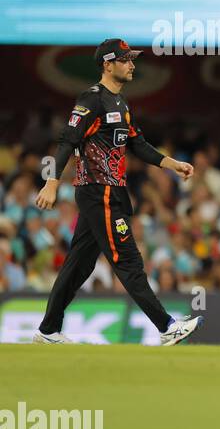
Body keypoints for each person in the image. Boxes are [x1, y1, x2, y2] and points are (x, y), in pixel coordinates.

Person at [32, 39, 203, 347]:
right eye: (125, 60)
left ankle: (48, 331)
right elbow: (67, 141)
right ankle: (167, 327)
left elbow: (137, 143)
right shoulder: (92, 99)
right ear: (108, 65)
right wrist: (52, 182)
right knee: (127, 259)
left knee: (79, 265)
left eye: (131, 59)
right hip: (99, 192)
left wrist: (172, 164)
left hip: (109, 192)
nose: (132, 64)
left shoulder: (121, 102)